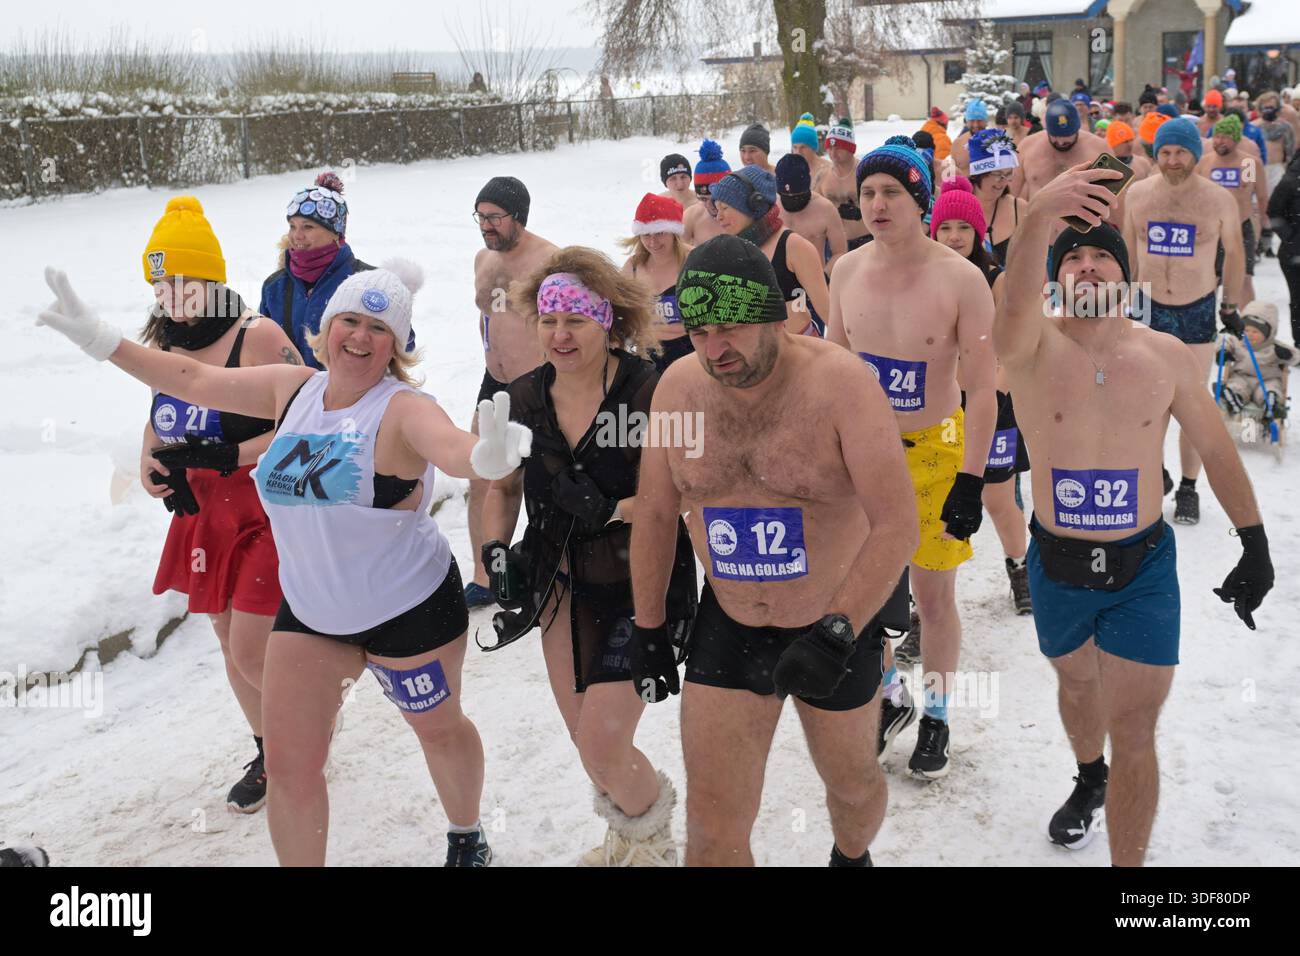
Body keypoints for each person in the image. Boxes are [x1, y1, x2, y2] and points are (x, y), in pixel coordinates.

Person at [38, 260, 533, 868]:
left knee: (438, 730)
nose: (359, 336)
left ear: (397, 345)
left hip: (408, 611)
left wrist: (485, 457)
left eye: (379, 328)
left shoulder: (402, 409)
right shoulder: (292, 390)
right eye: (348, 320)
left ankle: (466, 833)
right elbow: (191, 376)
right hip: (313, 611)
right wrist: (102, 340)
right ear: (324, 329)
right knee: (293, 767)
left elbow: (451, 446)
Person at [996, 169, 1273, 865]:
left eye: (1101, 257)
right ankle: (1091, 776)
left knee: (1136, 728)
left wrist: (1255, 542)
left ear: (1125, 274)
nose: (1087, 266)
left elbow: (1213, 445)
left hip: (1142, 569)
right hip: (1056, 564)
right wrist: (1037, 223)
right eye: (1072, 257)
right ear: (1056, 275)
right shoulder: (1030, 349)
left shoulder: (1167, 357)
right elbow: (1008, 315)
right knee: (1077, 685)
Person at [629, 234, 918, 866]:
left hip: (834, 618)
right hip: (730, 623)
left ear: (772, 316)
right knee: (711, 828)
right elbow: (654, 512)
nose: (714, 350)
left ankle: (851, 858)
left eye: (729, 329)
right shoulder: (678, 391)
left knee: (851, 788)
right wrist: (648, 627)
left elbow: (898, 522)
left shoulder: (842, 385)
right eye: (700, 332)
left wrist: (839, 630)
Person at [481, 247, 698, 866]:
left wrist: (612, 508)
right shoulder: (521, 397)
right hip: (560, 584)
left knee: (605, 743)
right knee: (587, 739)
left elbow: (686, 490)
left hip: (641, 577)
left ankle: (652, 846)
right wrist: (496, 551)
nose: (560, 334)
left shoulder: (650, 390)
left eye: (575, 320)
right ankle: (627, 840)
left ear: (608, 320)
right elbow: (501, 486)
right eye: (548, 320)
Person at [826, 136, 997, 777]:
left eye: (891, 191)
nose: (876, 203)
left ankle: (938, 716)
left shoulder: (961, 279)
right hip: (863, 451)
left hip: (936, 451)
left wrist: (972, 481)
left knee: (933, 594)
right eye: (867, 192)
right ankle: (891, 694)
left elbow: (982, 389)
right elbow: (834, 371)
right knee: (860, 591)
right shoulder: (845, 271)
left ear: (920, 199)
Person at [140, 196, 299, 813]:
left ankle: (303, 731)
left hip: (266, 508)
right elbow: (159, 411)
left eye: (182, 281)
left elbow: (306, 422)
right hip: (203, 513)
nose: (171, 296)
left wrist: (230, 456)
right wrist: (153, 463)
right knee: (226, 635)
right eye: (160, 283)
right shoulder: (165, 339)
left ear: (211, 278)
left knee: (251, 647)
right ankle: (271, 749)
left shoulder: (257, 336)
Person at [1123, 118, 1245, 526]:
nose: (1173, 161)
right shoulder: (1138, 194)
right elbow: (1126, 251)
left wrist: (1230, 303)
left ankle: (1190, 486)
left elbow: (1235, 252)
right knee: (1145, 401)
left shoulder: (1217, 199)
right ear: (1156, 154)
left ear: (1195, 154)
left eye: (1181, 153)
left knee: (1192, 404)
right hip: (1147, 306)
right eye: (1165, 153)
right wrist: (1121, 299)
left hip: (1196, 307)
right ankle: (1154, 474)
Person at [928, 178, 1031, 614]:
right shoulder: (919, 277)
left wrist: (998, 387)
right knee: (933, 503)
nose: (954, 237)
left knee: (996, 498)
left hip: (991, 402)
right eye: (945, 227)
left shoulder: (996, 278)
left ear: (978, 233)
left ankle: (1020, 567)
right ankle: (926, 602)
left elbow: (1017, 342)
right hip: (936, 407)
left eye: (963, 229)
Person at [467, 176, 557, 607]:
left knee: (533, 479)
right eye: (481, 216)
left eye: (495, 217)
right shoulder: (483, 258)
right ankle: (484, 575)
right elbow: (488, 318)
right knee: (481, 474)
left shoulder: (550, 261)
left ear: (518, 215)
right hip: (493, 381)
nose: (486, 225)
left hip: (536, 383)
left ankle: (546, 566)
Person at [259, 172, 377, 370]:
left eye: (308, 227)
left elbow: (401, 345)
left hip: (352, 396)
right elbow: (260, 346)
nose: (297, 236)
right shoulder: (275, 286)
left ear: (335, 233)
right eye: (292, 226)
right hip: (290, 396)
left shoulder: (367, 282)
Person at [711, 166, 829, 337]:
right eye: (717, 208)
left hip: (798, 351)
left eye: (725, 208)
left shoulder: (793, 246)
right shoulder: (731, 248)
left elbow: (829, 313)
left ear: (754, 205)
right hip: (754, 356)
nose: (718, 217)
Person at [1197, 114, 1268, 306]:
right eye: (1216, 136)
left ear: (1236, 139)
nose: (1219, 141)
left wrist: (1264, 225)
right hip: (1211, 228)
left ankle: (1246, 325)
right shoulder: (1205, 162)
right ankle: (1207, 322)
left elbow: (1257, 195)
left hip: (1240, 226)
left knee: (1244, 277)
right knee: (1211, 278)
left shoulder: (1248, 163)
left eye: (1225, 137)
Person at [621, 193, 694, 370]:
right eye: (646, 235)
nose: (652, 242)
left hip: (691, 351)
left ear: (674, 233)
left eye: (659, 233)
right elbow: (618, 311)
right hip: (648, 354)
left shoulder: (695, 260)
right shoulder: (633, 266)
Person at [1015, 99, 1109, 202]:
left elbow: (1116, 199)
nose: (1060, 142)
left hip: (1084, 217)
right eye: (1055, 136)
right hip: (1039, 216)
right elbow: (1011, 195)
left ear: (1077, 128)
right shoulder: (1027, 147)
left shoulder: (1100, 149)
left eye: (1067, 136)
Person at [1218, 301, 1297, 417]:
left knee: (1270, 388)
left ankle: (1270, 403)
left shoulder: (1275, 347)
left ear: (1268, 333)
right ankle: (1234, 398)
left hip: (1267, 380)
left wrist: (1288, 355)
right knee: (1236, 385)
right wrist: (1223, 351)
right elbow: (1223, 343)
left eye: (1255, 331)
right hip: (1241, 377)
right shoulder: (1238, 342)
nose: (1249, 334)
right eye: (1247, 330)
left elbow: (1297, 357)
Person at [775, 153, 847, 276]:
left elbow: (840, 252)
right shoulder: (771, 206)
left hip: (814, 278)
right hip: (778, 283)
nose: (792, 199)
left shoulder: (825, 209)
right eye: (786, 196)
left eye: (797, 196)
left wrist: (824, 276)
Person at [967, 128, 1028, 268]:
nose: (1003, 181)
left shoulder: (1019, 209)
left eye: (1008, 174)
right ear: (978, 173)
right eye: (997, 173)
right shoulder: (956, 206)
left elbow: (1035, 262)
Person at [815, 118, 868, 250]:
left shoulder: (864, 171)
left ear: (850, 149)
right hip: (834, 243)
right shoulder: (822, 175)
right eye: (830, 148)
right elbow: (813, 206)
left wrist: (860, 211)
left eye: (838, 149)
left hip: (863, 240)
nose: (833, 153)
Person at [1267, 151, 1300, 342]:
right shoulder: (1291, 179)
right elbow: (1274, 211)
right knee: (1298, 299)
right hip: (1294, 255)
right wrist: (1293, 240)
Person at [683, 139, 729, 246]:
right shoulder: (692, 216)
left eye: (716, 199)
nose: (710, 206)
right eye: (703, 199)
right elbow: (674, 255)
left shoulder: (744, 215)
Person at [791, 114, 832, 190]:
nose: (798, 152)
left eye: (803, 147)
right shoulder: (790, 170)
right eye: (795, 147)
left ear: (813, 147)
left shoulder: (828, 169)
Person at [951, 98, 990, 177]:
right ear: (967, 121)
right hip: (965, 188)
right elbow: (953, 174)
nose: (975, 125)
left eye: (979, 120)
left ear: (986, 121)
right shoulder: (957, 144)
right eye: (972, 121)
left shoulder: (996, 142)